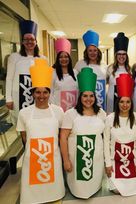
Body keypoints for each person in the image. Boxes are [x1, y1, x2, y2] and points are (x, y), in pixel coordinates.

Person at [16, 59, 65, 204]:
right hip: (33, 157)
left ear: (49, 93)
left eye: (45, 92)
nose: (41, 96)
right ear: (32, 93)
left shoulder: (58, 111)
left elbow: (61, 134)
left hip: (53, 157)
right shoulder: (24, 113)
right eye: (38, 92)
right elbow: (24, 137)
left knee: (54, 194)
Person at [60, 67, 106, 199]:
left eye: (91, 96)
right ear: (80, 97)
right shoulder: (70, 114)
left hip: (96, 158)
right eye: (85, 96)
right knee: (79, 187)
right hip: (76, 159)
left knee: (94, 184)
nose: (88, 99)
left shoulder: (101, 113)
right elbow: (63, 138)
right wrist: (66, 161)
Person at [104, 73, 136, 196]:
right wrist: (108, 165)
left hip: (131, 160)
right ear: (117, 103)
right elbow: (106, 143)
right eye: (122, 102)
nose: (125, 105)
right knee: (116, 190)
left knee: (133, 190)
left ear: (131, 104)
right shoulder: (110, 118)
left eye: (128, 102)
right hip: (115, 161)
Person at [6, 20, 46, 123]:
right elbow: (9, 78)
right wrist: (8, 99)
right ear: (22, 42)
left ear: (36, 41)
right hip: (19, 94)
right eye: (26, 39)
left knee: (36, 120)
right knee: (22, 122)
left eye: (32, 39)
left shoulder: (42, 58)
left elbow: (44, 80)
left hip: (36, 94)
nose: (29, 42)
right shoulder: (14, 57)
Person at [74, 30, 107, 110]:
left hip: (100, 99)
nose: (93, 53)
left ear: (98, 52)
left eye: (95, 50)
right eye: (90, 50)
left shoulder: (104, 65)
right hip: (86, 99)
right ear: (86, 52)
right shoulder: (80, 64)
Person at [50, 38, 78, 112]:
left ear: (69, 58)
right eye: (61, 57)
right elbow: (50, 92)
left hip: (73, 110)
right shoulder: (53, 73)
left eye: (66, 56)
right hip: (58, 110)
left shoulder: (75, 73)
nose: (63, 59)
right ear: (57, 59)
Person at [106, 32, 131, 114]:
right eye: (119, 54)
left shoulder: (130, 69)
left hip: (125, 101)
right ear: (116, 56)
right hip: (111, 99)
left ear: (126, 56)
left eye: (124, 54)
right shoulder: (110, 68)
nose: (121, 56)